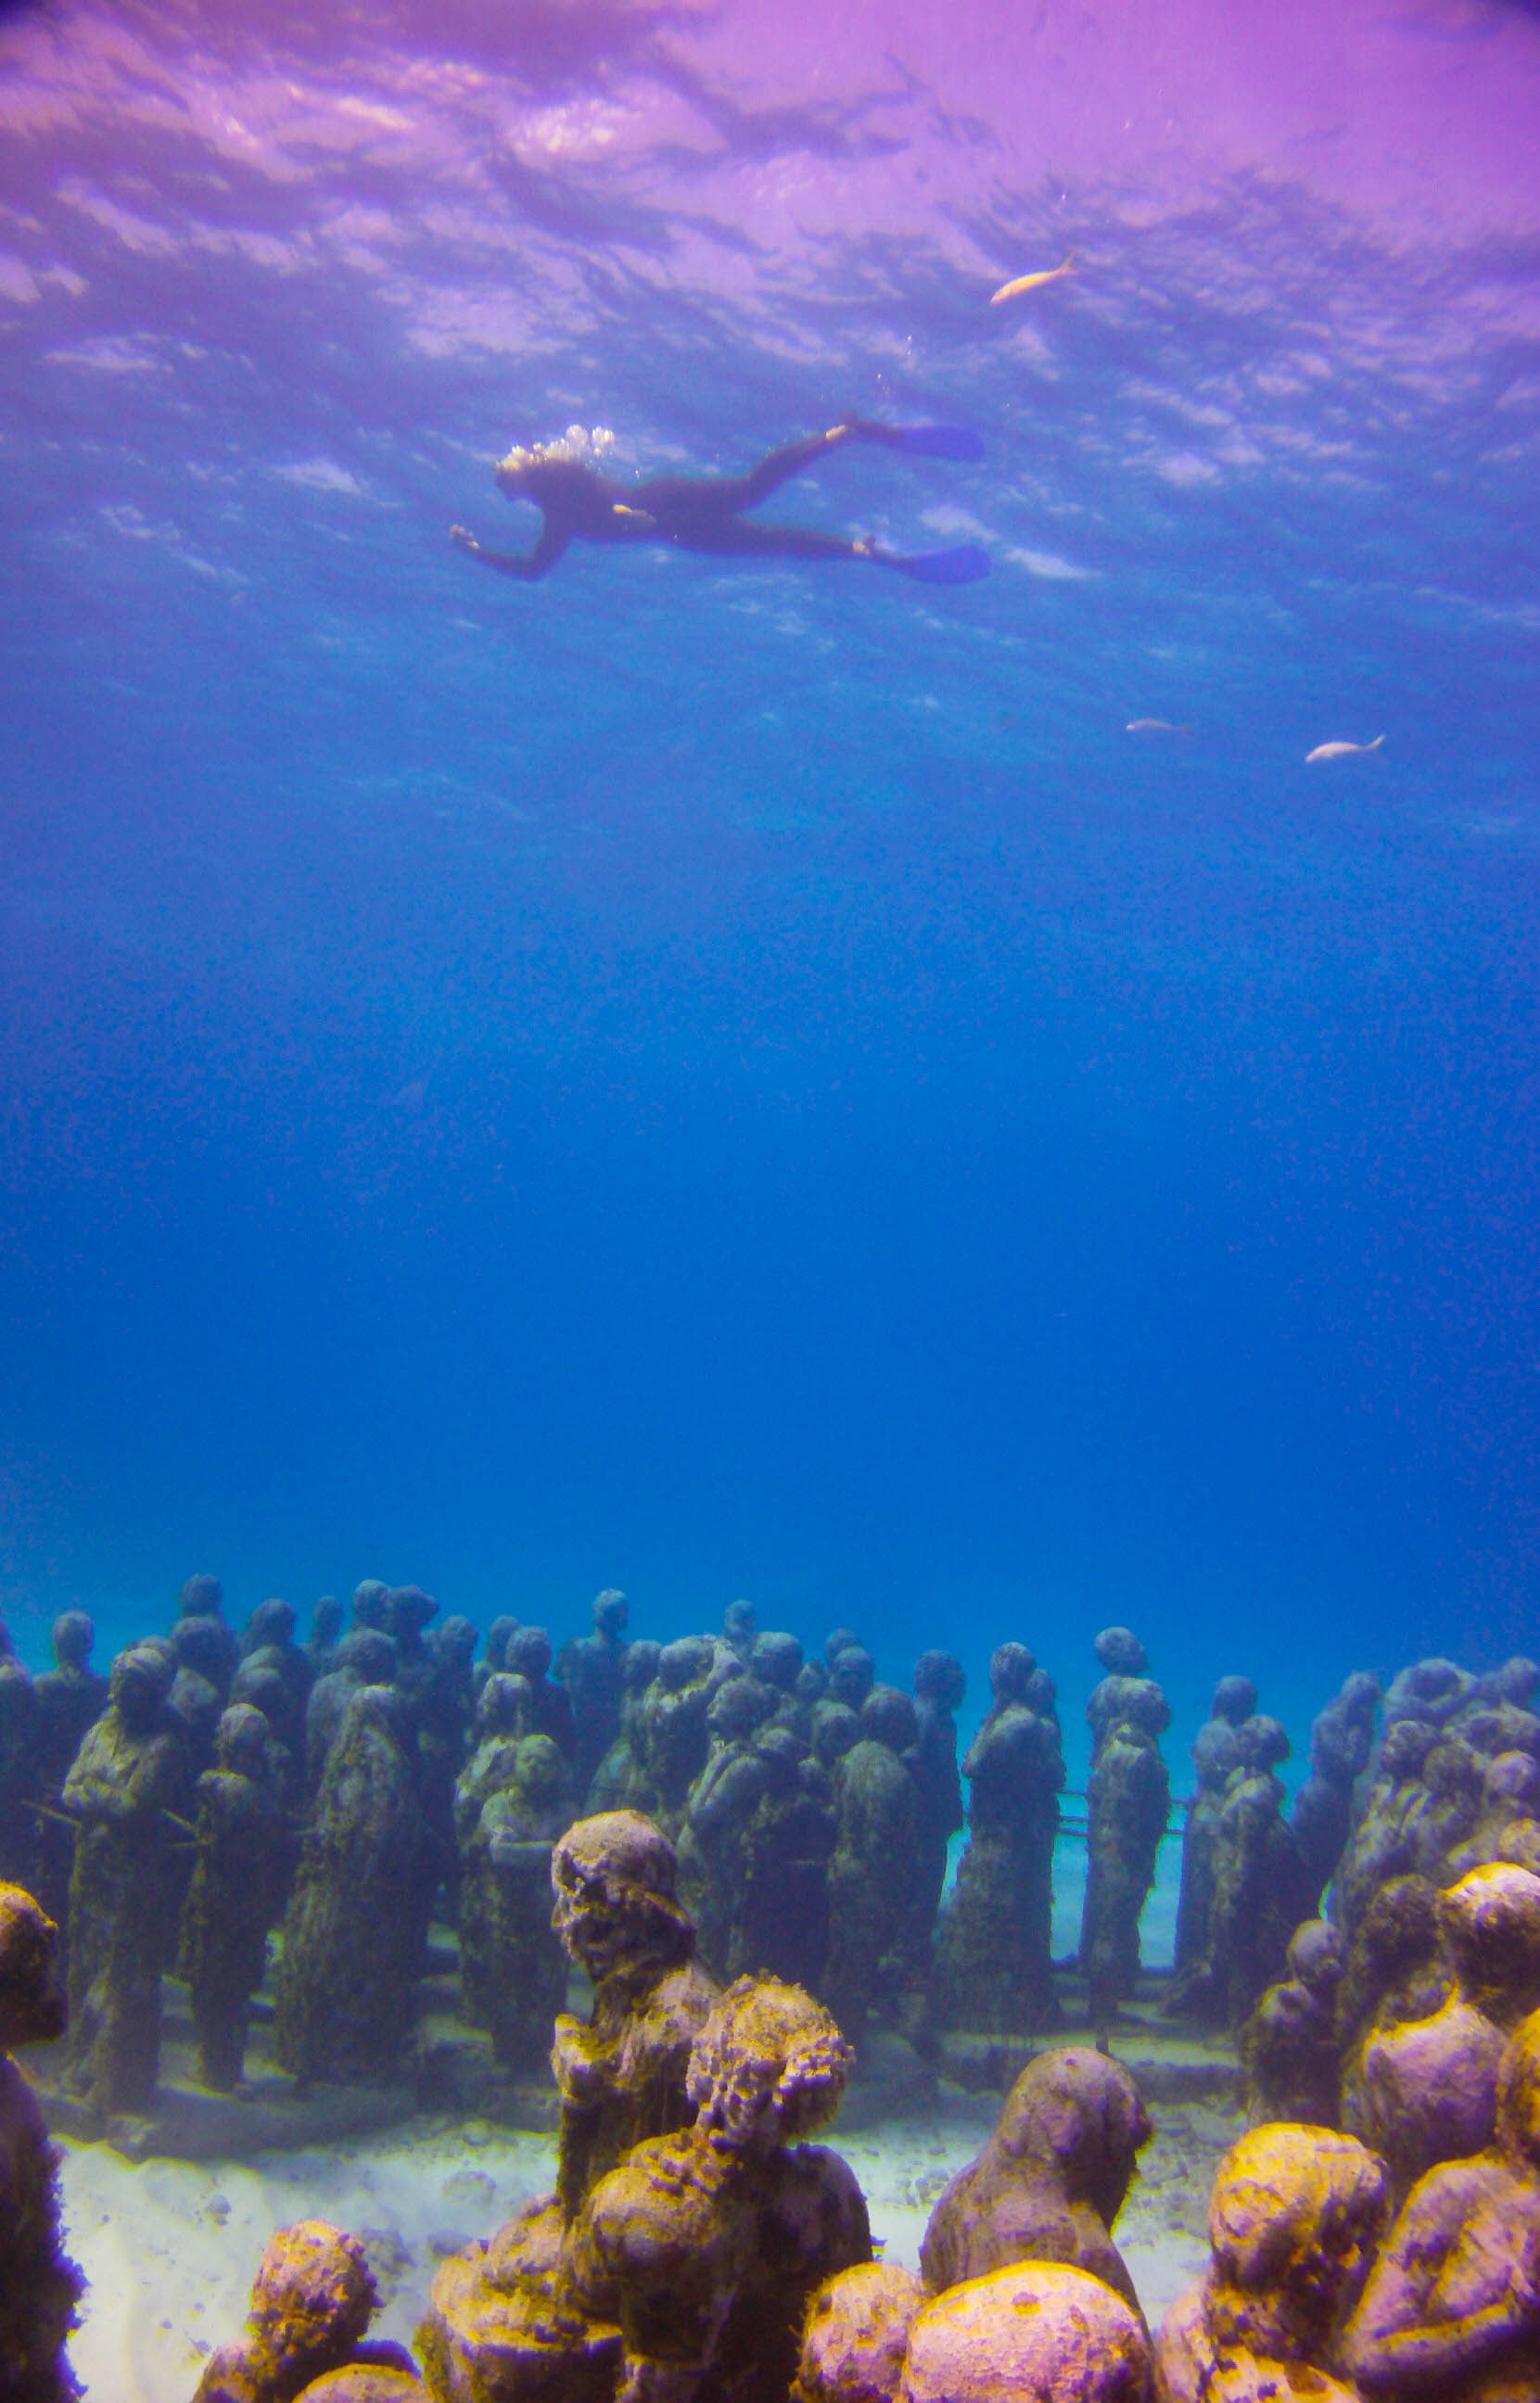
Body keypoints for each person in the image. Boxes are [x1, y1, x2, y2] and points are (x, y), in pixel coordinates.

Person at [450, 419, 990, 586]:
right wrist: (475, 550)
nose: (503, 485)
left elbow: (581, 484)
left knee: (754, 488)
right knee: (774, 544)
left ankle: (843, 434)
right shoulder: (556, 519)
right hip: (681, 532)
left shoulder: (554, 476)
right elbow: (533, 571)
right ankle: (865, 550)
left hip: (665, 502)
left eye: (505, 474)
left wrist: (616, 513)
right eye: (504, 481)